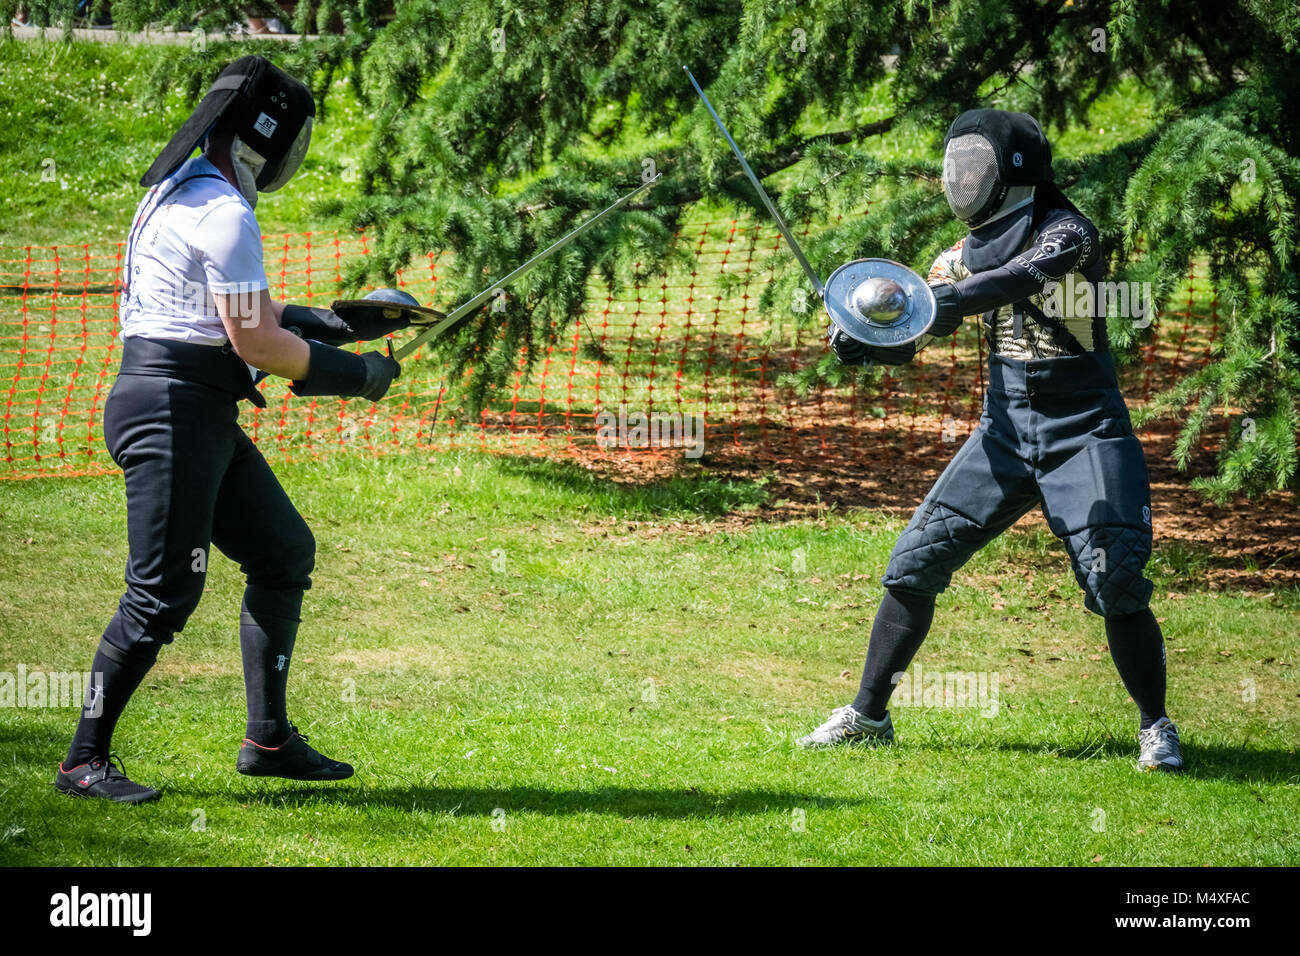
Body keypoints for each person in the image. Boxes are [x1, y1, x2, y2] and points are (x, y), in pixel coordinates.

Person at [55, 55, 408, 803]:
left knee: (283, 553)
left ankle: (268, 739)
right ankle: (82, 761)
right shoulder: (223, 212)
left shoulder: (181, 192)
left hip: (194, 406)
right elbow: (258, 345)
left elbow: (248, 318)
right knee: (160, 597)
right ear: (267, 137)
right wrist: (361, 378)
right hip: (173, 411)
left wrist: (347, 321)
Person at [800, 109, 1182, 772]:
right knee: (913, 566)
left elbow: (1016, 280)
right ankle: (868, 716)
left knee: (1113, 581)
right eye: (958, 163)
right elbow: (916, 329)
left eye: (976, 163)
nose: (963, 176)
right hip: (1004, 433)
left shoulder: (1066, 233)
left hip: (1084, 430)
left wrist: (942, 301)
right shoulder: (958, 255)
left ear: (1011, 170)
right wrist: (866, 338)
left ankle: (1156, 727)